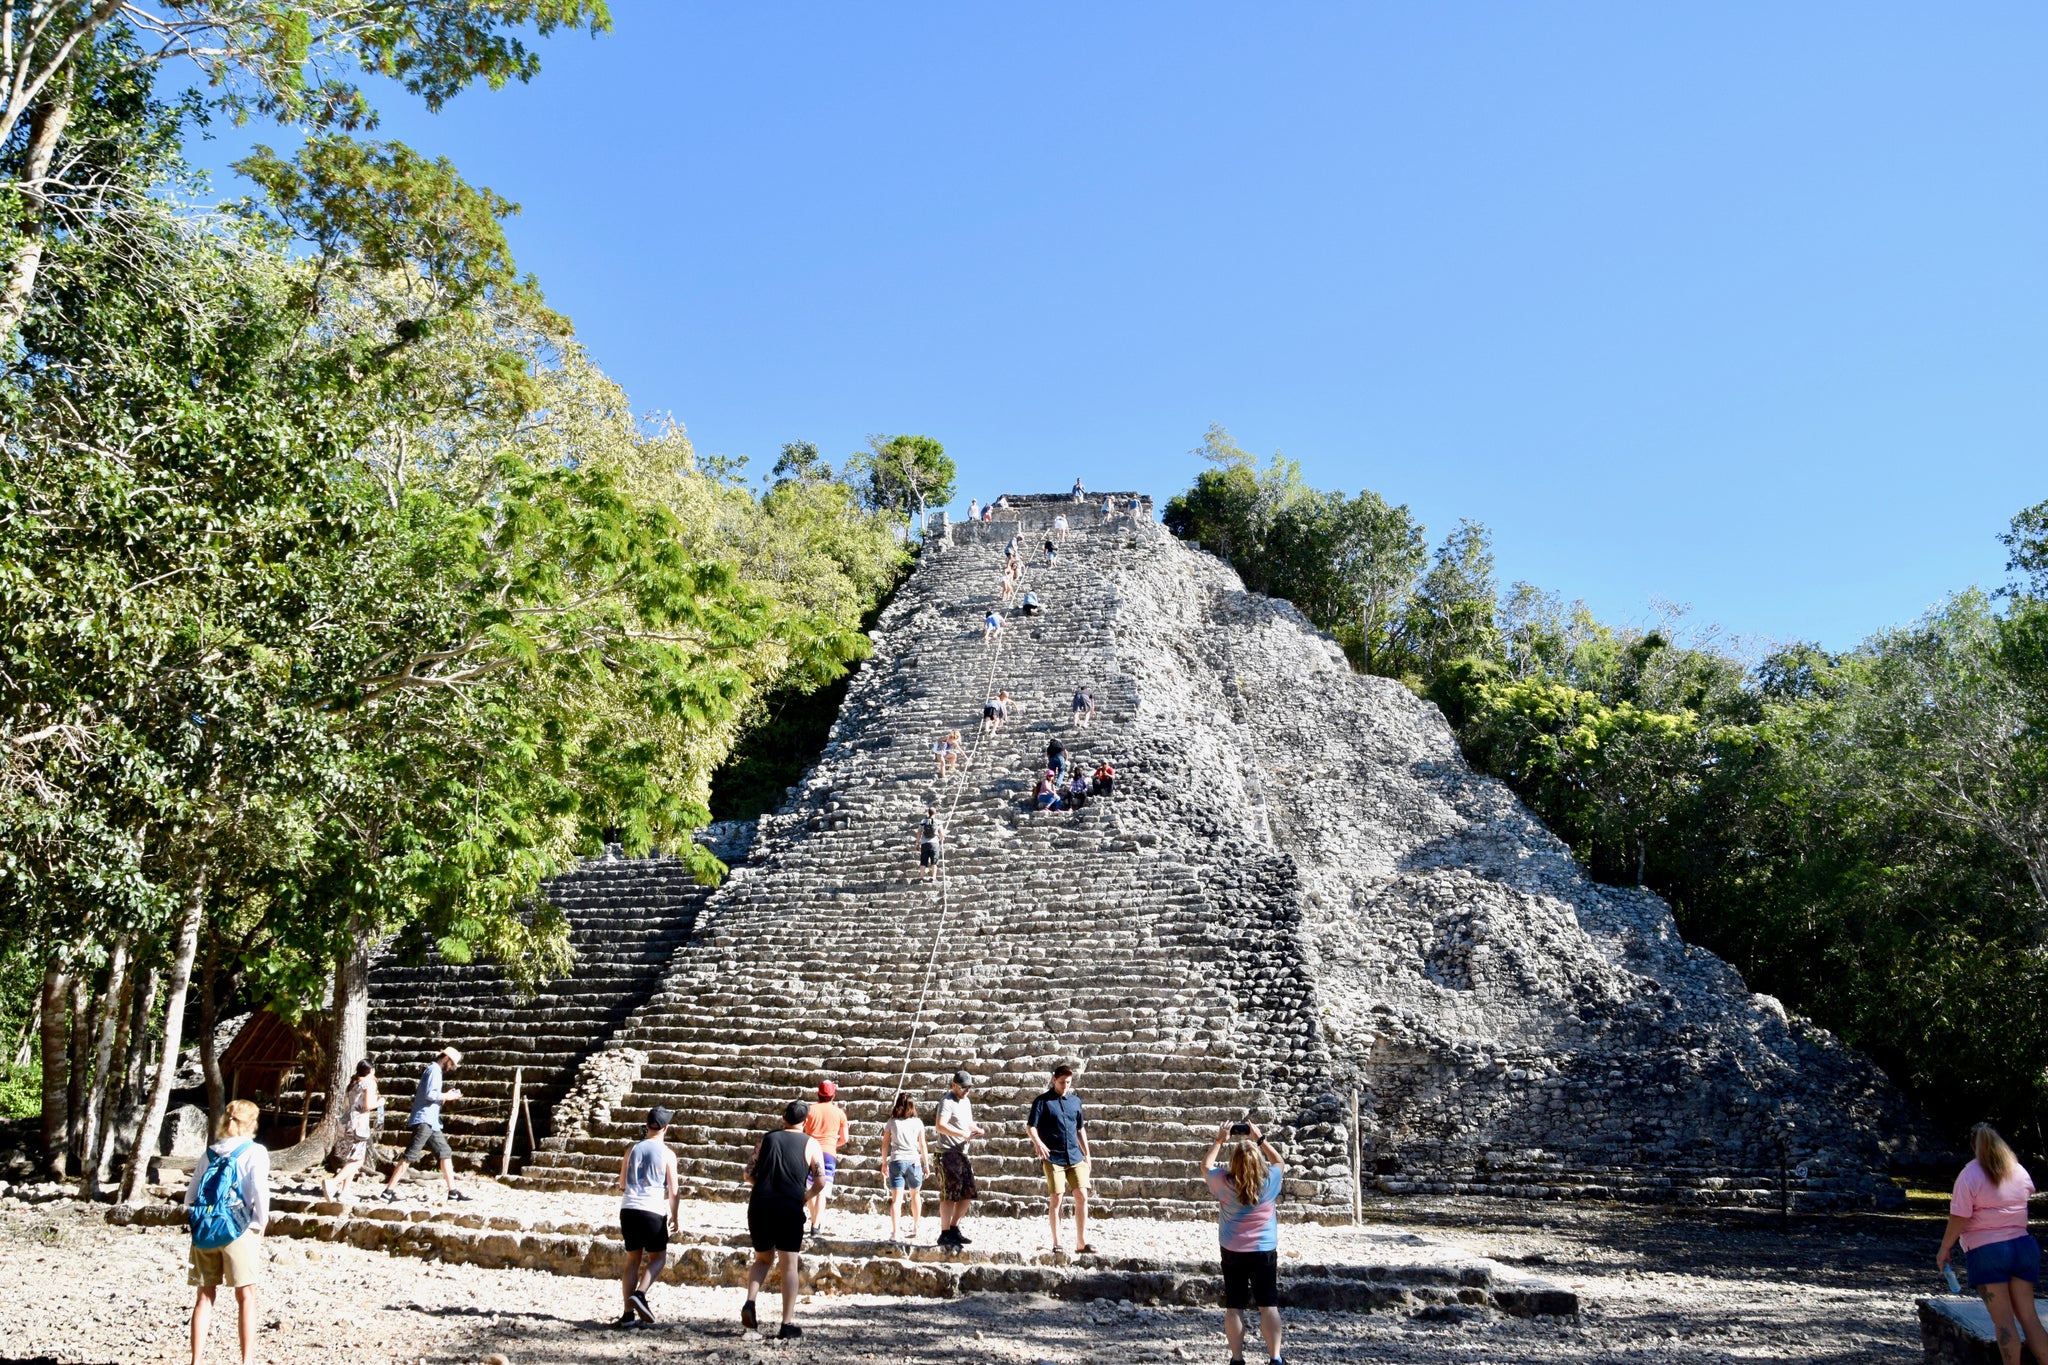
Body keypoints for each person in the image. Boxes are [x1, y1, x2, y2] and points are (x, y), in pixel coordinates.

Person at [1938, 1123, 2048, 1365]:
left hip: (1988, 1252)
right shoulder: (2018, 1170)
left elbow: (1960, 1216)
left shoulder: (1969, 1175)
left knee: (2004, 1322)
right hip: (2023, 1247)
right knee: (2030, 1318)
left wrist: (1945, 1247)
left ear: (1973, 1146)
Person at [185, 1099, 268, 1365]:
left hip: (206, 1230)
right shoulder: (255, 1152)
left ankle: (196, 1360)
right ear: (252, 1123)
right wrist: (261, 1223)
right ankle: (246, 1360)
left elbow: (190, 1197)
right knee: (246, 1296)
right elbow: (259, 1192)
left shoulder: (210, 1153)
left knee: (204, 1296)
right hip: (238, 1229)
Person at [1205, 1120, 1287, 1365]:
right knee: (1268, 1306)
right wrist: (1259, 1139)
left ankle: (1237, 1359)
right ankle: (1275, 1358)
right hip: (1264, 1249)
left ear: (1234, 1162)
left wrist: (1220, 1139)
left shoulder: (1222, 1181)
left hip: (1233, 1249)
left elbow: (1206, 1165)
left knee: (1235, 1307)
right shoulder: (1270, 1180)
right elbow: (1279, 1162)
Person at [743, 1100, 824, 1340]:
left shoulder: (767, 1139)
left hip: (760, 1204)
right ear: (805, 1121)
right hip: (789, 1205)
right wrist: (804, 1197)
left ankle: (750, 1302)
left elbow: (748, 1174)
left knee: (762, 1259)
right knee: (789, 1265)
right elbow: (820, 1181)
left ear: (783, 1117)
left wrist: (763, 1187)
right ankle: (786, 1323)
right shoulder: (811, 1143)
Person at [616, 1106, 680, 1326]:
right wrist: (675, 1216)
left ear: (647, 1126)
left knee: (632, 1260)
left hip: (628, 1208)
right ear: (665, 1128)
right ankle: (640, 1293)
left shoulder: (631, 1149)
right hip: (652, 1209)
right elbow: (673, 1190)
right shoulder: (668, 1153)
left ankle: (627, 1315)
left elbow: (622, 1183)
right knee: (658, 1258)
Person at [380, 1046, 469, 1202]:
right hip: (425, 1121)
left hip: (432, 1121)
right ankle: (388, 1192)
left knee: (445, 1152)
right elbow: (430, 1094)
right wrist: (448, 1096)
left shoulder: (435, 1070)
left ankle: (453, 1192)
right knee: (410, 1155)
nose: (451, 1068)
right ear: (446, 1059)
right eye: (452, 1064)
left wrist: (445, 1096)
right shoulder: (434, 1070)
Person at [1028, 1064, 1093, 1253]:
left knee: (1082, 1195)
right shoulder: (1042, 1101)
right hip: (1052, 1157)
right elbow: (1031, 1126)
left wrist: (1087, 1154)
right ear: (1054, 1080)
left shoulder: (1075, 1102)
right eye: (1062, 1082)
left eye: (1068, 1082)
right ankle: (1057, 1242)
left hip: (1075, 1155)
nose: (1065, 1086)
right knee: (1056, 1198)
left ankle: (1081, 1242)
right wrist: (1038, 1143)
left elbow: (1080, 1129)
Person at [935, 1071, 984, 1248]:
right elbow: (940, 1125)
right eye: (964, 1087)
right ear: (954, 1085)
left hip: (962, 1153)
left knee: (968, 1192)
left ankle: (954, 1227)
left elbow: (967, 1122)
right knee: (949, 1194)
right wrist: (962, 1134)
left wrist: (976, 1129)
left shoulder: (966, 1101)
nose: (966, 1091)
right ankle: (945, 1232)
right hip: (947, 1153)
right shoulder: (947, 1102)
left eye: (969, 1088)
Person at [321, 1059, 380, 1204]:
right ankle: (333, 1183)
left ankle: (345, 1191)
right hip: (358, 1125)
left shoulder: (352, 1084)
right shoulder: (369, 1083)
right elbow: (368, 1105)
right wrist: (380, 1103)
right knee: (358, 1160)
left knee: (351, 1158)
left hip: (346, 1123)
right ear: (371, 1071)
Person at [801, 1080, 850, 1236]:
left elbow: (801, 1129)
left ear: (818, 1093)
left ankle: (813, 1219)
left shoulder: (809, 1110)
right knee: (822, 1189)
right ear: (833, 1095)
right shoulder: (839, 1113)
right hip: (828, 1153)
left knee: (810, 1187)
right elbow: (845, 1138)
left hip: (810, 1151)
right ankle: (816, 1225)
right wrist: (833, 1144)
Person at [882, 1092, 931, 1244]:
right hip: (914, 1161)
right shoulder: (918, 1122)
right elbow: (922, 1145)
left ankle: (895, 1231)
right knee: (915, 1195)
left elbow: (885, 1144)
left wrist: (884, 1163)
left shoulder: (892, 1122)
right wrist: (926, 1164)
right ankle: (916, 1226)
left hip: (897, 1160)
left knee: (896, 1199)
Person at [916, 805, 943, 882]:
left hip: (924, 844)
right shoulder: (938, 822)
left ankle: (921, 878)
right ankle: (933, 878)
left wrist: (917, 843)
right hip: (934, 844)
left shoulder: (923, 821)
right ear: (935, 813)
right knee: (934, 861)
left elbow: (919, 833)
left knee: (923, 862)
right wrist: (942, 837)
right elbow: (941, 834)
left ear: (928, 813)